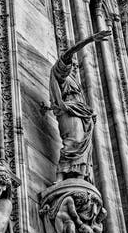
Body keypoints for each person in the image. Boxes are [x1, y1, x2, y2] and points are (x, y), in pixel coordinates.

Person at [47, 32, 111, 180]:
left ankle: (80, 178)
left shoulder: (76, 83)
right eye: (72, 64)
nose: (74, 67)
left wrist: (89, 113)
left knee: (83, 145)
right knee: (73, 142)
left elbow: (81, 103)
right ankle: (60, 177)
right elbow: (68, 54)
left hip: (80, 114)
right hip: (69, 111)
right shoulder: (61, 75)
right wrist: (90, 40)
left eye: (76, 66)